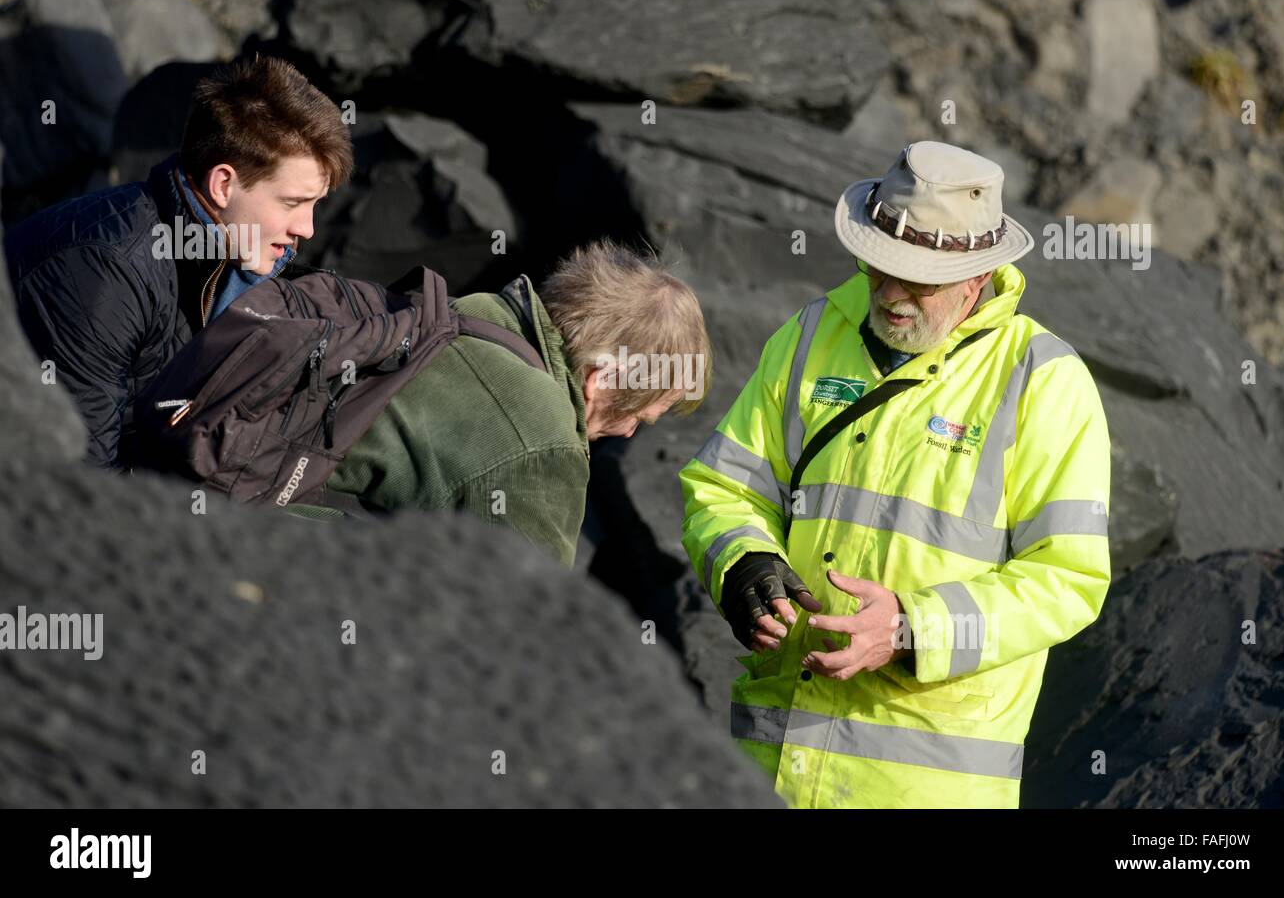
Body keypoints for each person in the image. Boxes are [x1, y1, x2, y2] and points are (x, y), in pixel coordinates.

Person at [680, 141, 1111, 808]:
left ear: (976, 278)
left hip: (924, 789)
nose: (888, 293)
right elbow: (724, 484)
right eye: (878, 266)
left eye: (917, 279)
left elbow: (1068, 579)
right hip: (769, 770)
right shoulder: (810, 334)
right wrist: (744, 563)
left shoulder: (1044, 384)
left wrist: (912, 629)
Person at [4, 55, 353, 466]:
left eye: (314, 205)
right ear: (223, 184)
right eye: (292, 202)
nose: (308, 229)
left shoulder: (243, 252)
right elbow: (80, 476)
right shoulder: (101, 275)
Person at [300, 239, 712, 567]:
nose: (627, 431)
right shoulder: (542, 450)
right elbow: (530, 623)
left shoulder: (475, 313)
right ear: (602, 380)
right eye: (638, 416)